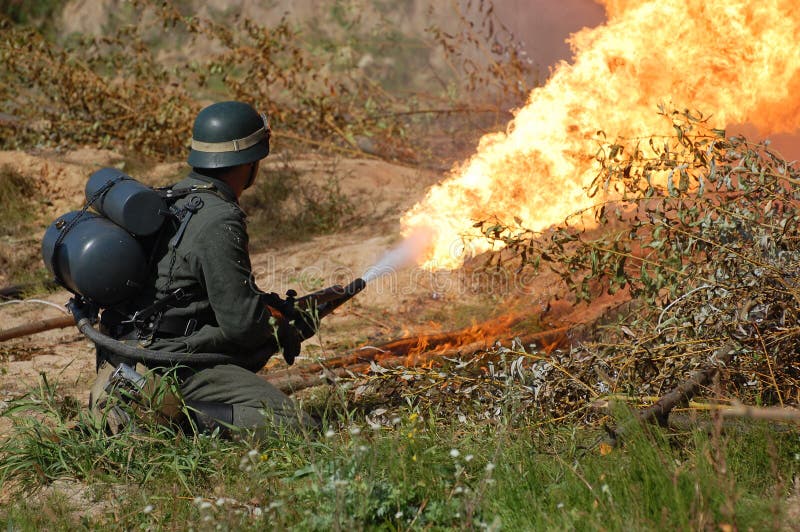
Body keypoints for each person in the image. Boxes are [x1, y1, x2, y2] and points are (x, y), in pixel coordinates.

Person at [92, 101, 318, 437]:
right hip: (170, 366)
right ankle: (169, 422)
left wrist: (269, 310)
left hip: (126, 358)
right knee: (295, 426)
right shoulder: (219, 219)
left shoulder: (172, 198)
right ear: (250, 160)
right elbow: (241, 324)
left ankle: (151, 405)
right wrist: (282, 326)